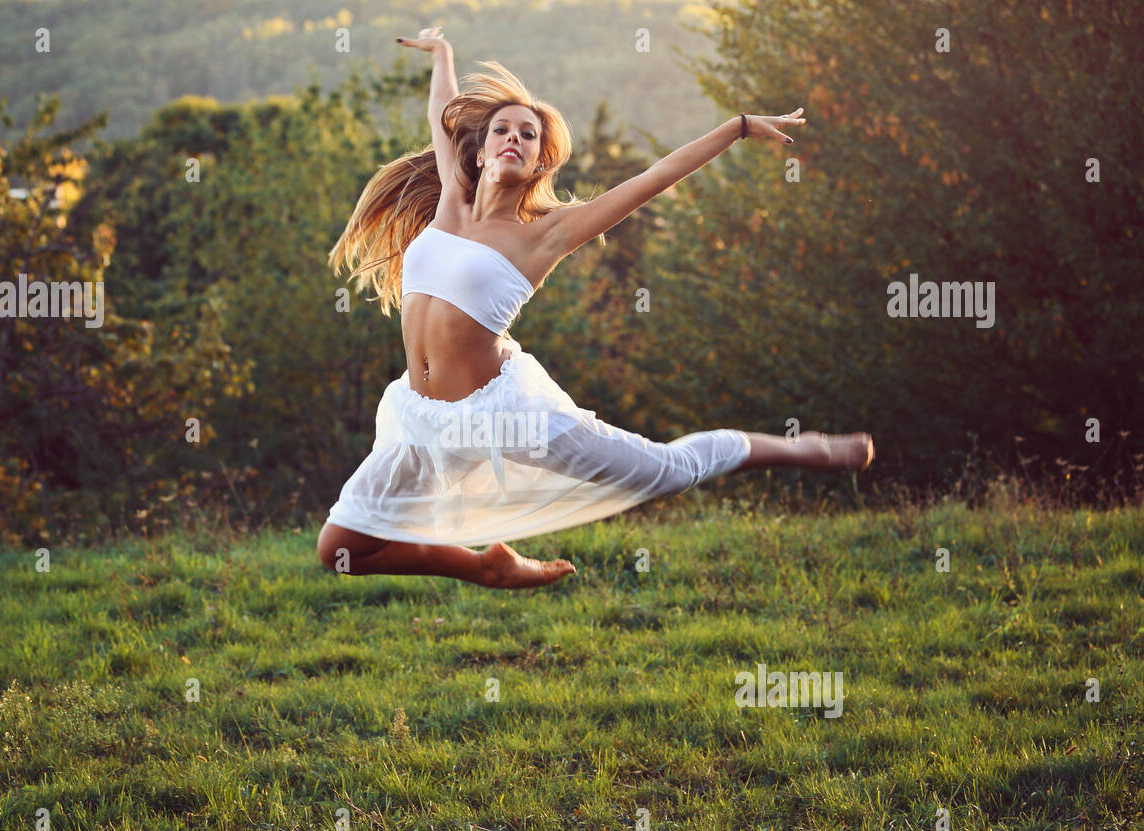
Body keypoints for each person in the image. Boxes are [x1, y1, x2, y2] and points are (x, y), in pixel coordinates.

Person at [318, 28, 873, 589]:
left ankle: (806, 448)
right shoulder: (449, 201)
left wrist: (738, 127)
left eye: (528, 135)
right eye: (502, 130)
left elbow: (652, 179)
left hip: (509, 419)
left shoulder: (546, 234)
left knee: (667, 470)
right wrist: (442, 53)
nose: (513, 138)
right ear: (480, 150)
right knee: (341, 548)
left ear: (539, 160)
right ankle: (487, 567)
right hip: (421, 418)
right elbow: (442, 111)